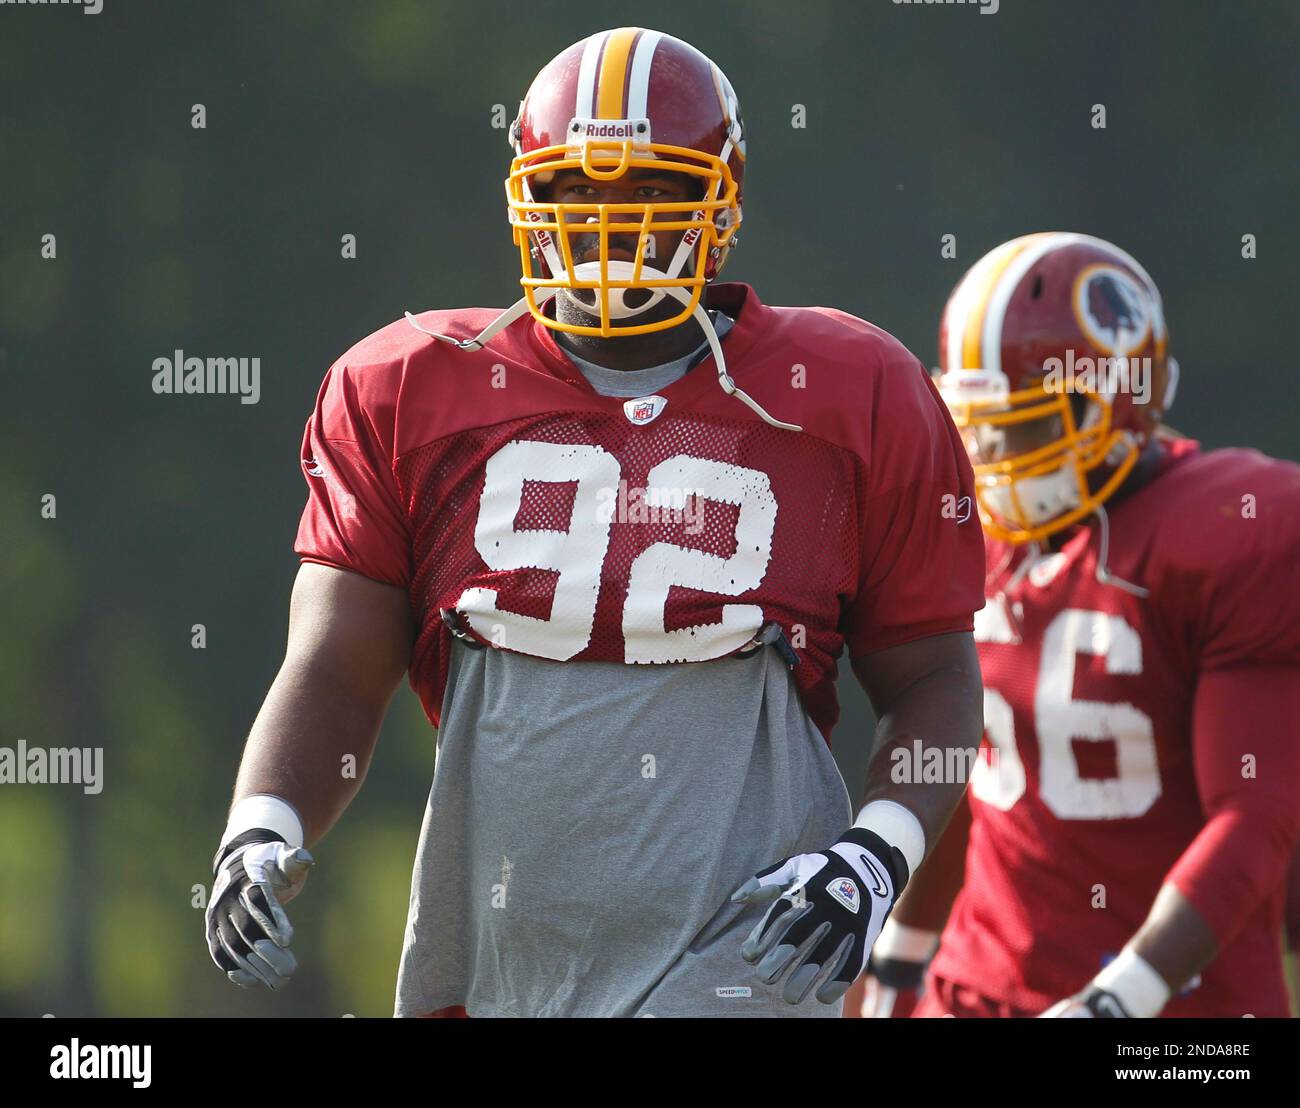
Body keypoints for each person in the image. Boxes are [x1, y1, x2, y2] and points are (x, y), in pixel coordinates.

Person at [204, 27, 984, 1017]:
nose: (611, 225)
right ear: (527, 191)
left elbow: (936, 680)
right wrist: (262, 824)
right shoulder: (405, 387)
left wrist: (875, 856)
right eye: (577, 190)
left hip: (742, 946)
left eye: (652, 191)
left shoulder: (845, 388)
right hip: (493, 953)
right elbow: (330, 669)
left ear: (722, 192)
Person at [858, 232, 1300, 1018]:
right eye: (978, 425)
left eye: (1022, 426)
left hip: (1177, 1011)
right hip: (975, 988)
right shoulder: (973, 533)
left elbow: (1257, 811)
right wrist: (899, 957)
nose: (992, 456)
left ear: (1119, 399)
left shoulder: (1234, 532)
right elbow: (964, 761)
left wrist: (1120, 1000)